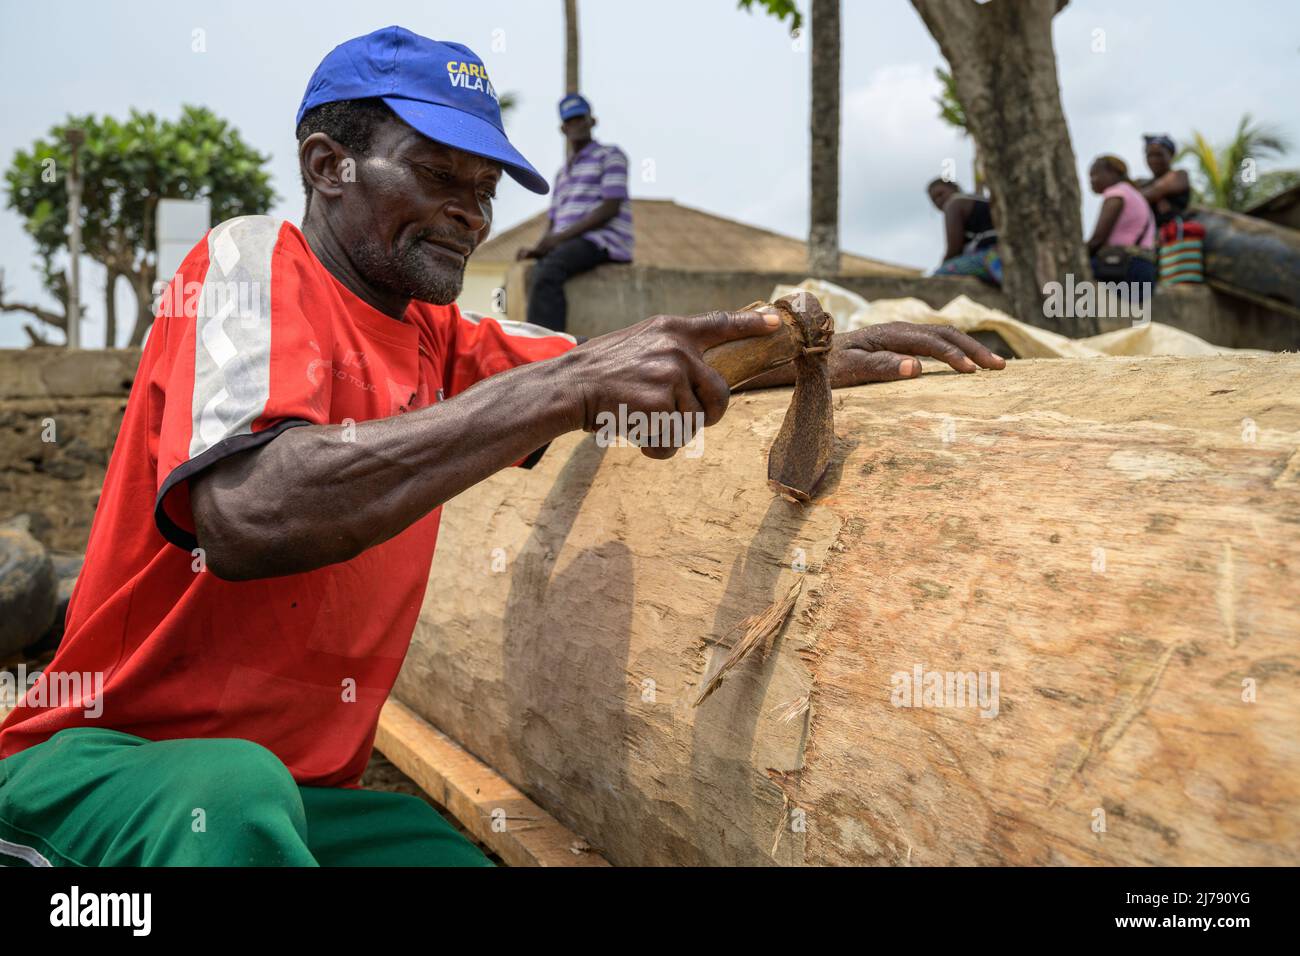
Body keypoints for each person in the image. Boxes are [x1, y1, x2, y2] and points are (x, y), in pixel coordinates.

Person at [0, 26, 1004, 868]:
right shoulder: (246, 265)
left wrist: (818, 348)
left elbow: (634, 363)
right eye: (439, 177)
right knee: (232, 794)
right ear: (325, 164)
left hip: (303, 790)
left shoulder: (448, 340)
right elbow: (248, 510)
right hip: (112, 759)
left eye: (483, 191)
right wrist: (560, 388)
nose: (471, 215)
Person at [517, 94, 633, 332]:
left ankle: (548, 349)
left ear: (593, 121)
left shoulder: (610, 155)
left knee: (548, 271)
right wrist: (539, 247)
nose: (577, 125)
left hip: (601, 241)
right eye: (571, 121)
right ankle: (531, 342)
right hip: (569, 242)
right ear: (563, 128)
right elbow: (553, 221)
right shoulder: (563, 173)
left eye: (581, 119)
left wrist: (558, 239)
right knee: (535, 271)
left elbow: (610, 208)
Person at [1086, 155, 1157, 289]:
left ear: (1112, 172)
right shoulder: (1134, 193)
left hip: (1128, 269)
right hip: (1146, 272)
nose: (1091, 181)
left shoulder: (1117, 193)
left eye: (1094, 175)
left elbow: (1097, 240)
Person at [926, 178, 1001, 286]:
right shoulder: (980, 199)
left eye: (940, 194)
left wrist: (942, 266)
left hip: (990, 256)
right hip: (1003, 252)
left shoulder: (954, 203)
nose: (939, 200)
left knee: (937, 279)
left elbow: (954, 249)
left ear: (955, 188)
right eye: (934, 200)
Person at [1136, 134, 1192, 228]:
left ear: (1171, 155)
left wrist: (1151, 194)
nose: (1154, 160)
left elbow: (1154, 192)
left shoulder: (1180, 175)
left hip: (1175, 233)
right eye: (1150, 155)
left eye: (1159, 155)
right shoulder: (1141, 182)